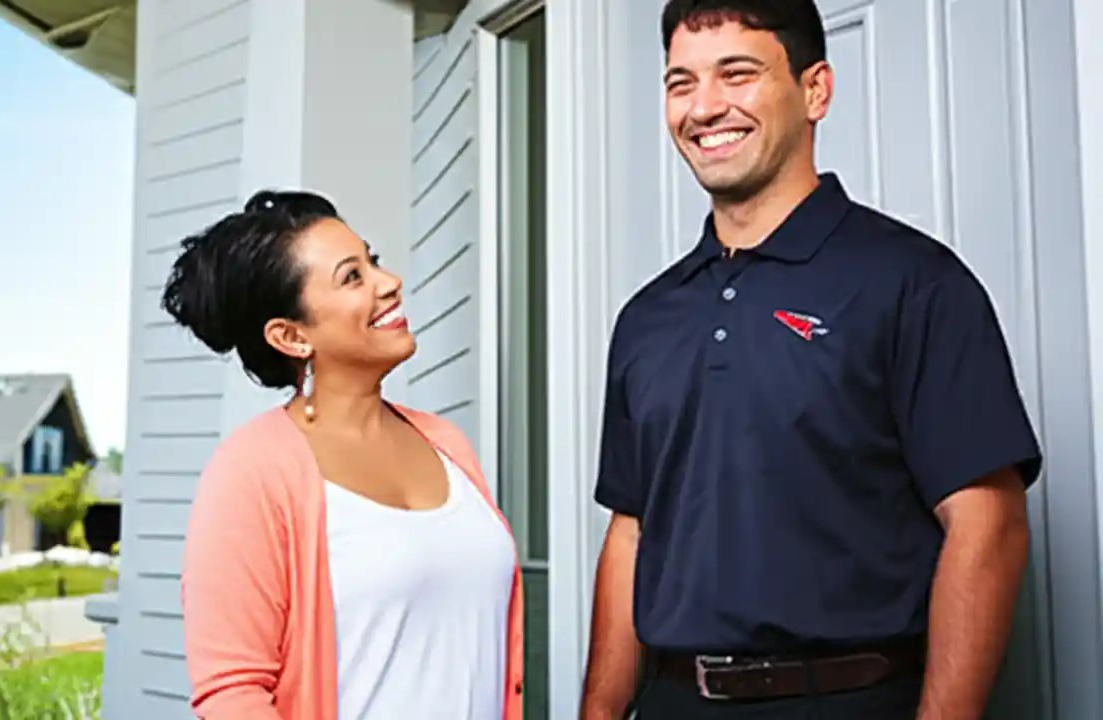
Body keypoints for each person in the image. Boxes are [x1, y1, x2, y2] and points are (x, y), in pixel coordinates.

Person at [580, 1, 1042, 719]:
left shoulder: (914, 283)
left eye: (737, 74)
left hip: (851, 698)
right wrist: (600, 714)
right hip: (675, 701)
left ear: (815, 90)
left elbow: (988, 524)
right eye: (681, 83)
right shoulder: (646, 319)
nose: (704, 107)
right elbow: (632, 532)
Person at [166, 190, 525, 720]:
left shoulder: (446, 444)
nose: (389, 282)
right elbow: (232, 692)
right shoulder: (250, 472)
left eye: (372, 260)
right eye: (352, 276)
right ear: (291, 336)